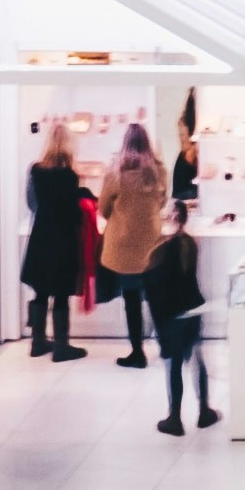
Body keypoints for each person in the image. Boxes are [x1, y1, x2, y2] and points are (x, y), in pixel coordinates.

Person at [97, 119, 169, 368]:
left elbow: (103, 208)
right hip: (152, 246)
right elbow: (162, 201)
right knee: (157, 297)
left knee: (131, 301)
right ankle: (167, 346)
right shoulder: (159, 171)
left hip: (125, 247)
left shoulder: (116, 174)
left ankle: (137, 352)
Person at [17, 125, 91, 364]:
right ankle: (61, 346)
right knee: (60, 293)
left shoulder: (36, 170)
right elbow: (72, 213)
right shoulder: (69, 176)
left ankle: (37, 342)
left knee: (40, 290)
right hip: (63, 240)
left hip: (41, 236)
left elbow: (31, 203)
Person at [152, 207, 216, 432]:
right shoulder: (190, 243)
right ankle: (204, 410)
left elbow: (157, 290)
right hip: (192, 307)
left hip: (172, 313)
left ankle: (175, 417)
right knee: (197, 360)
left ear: (172, 218)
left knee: (174, 364)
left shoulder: (162, 249)